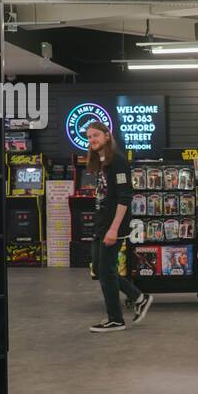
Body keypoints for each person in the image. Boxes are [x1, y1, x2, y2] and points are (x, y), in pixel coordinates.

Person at [86, 122, 152, 331]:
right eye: (89, 137)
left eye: (95, 135)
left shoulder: (118, 161)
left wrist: (114, 229)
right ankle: (139, 297)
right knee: (99, 269)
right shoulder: (100, 160)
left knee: (106, 271)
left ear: (107, 136)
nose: (92, 140)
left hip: (114, 226)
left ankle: (115, 319)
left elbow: (125, 197)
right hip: (101, 224)